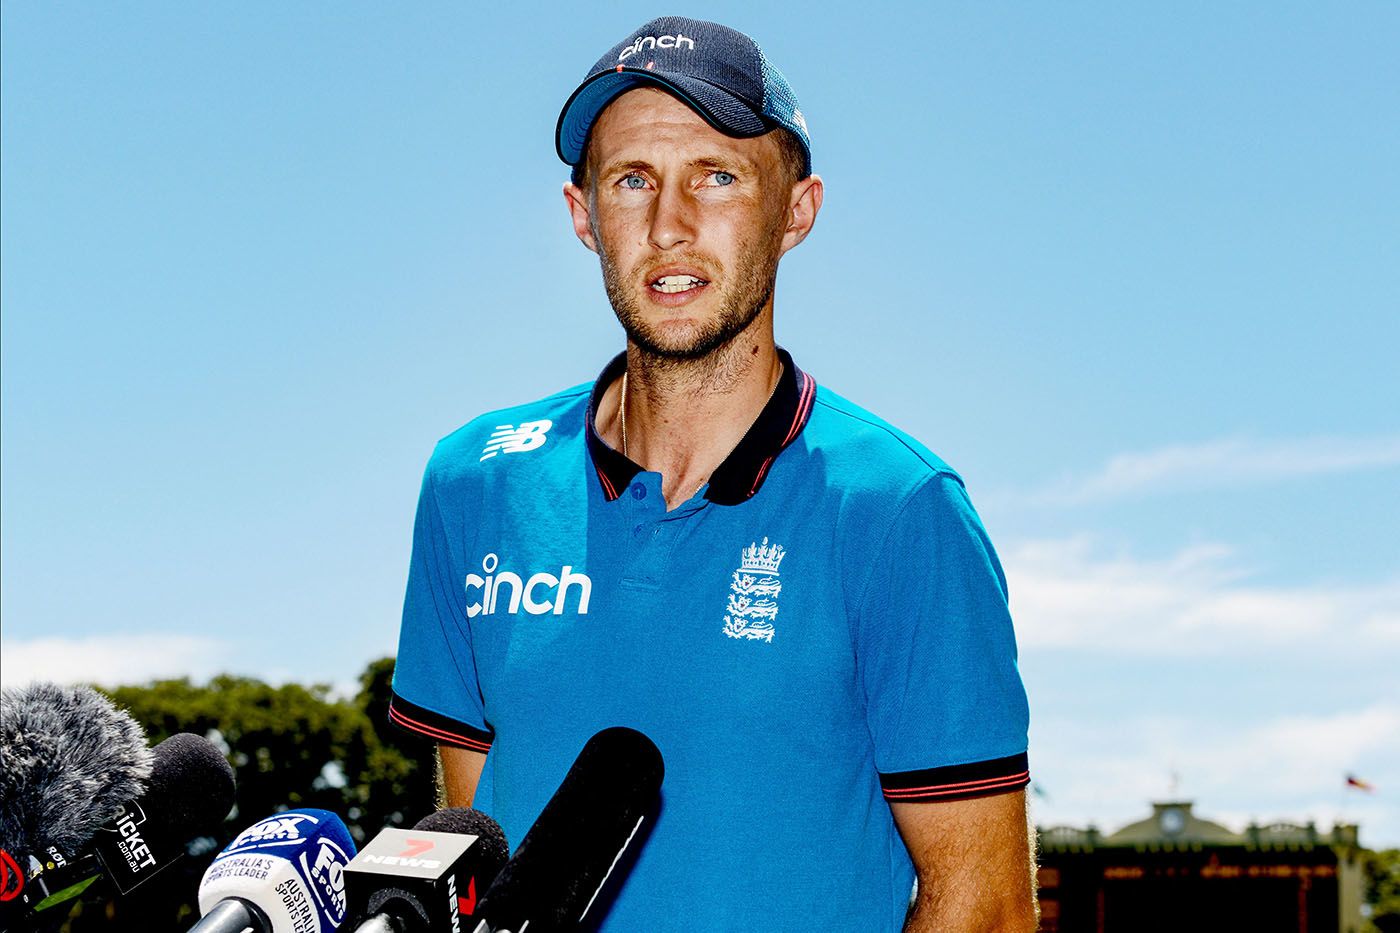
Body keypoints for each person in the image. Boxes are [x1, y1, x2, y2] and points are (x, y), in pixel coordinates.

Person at [389, 15, 1035, 931]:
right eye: (633, 180)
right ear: (583, 216)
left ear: (796, 211)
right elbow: (478, 848)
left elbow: (985, 905)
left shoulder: (900, 509)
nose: (669, 225)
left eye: (718, 177)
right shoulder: (471, 484)